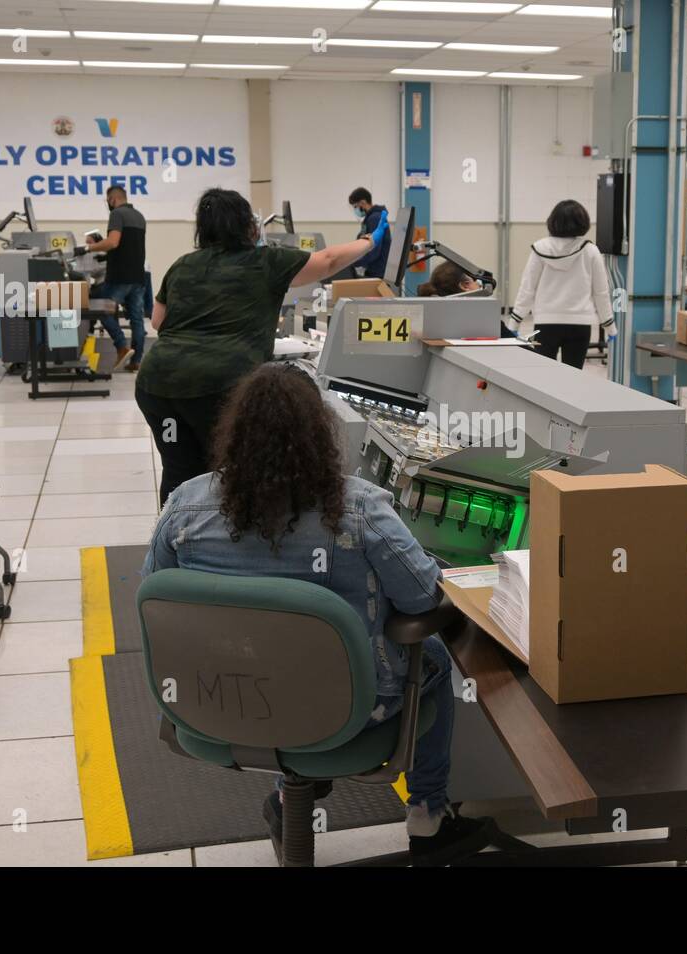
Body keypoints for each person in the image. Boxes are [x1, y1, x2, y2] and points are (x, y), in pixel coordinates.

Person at [141, 363, 491, 866]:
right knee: (430, 657)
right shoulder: (360, 509)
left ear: (233, 433)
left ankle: (290, 800)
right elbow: (422, 601)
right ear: (320, 434)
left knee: (279, 659)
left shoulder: (184, 507)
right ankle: (429, 816)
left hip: (216, 703)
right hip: (352, 709)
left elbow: (157, 596)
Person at [136, 187, 389, 506]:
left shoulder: (184, 265)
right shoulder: (266, 261)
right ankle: (225, 547)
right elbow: (328, 261)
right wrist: (370, 240)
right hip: (218, 386)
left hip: (157, 384)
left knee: (179, 471)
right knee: (229, 470)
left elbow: (158, 321)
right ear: (248, 225)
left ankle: (173, 541)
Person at [512, 199, 614, 369]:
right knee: (573, 379)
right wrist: (609, 326)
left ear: (553, 221)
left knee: (544, 378)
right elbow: (601, 292)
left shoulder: (539, 248)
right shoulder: (591, 251)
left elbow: (527, 288)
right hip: (580, 324)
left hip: (546, 323)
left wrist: (514, 322)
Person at [86, 186, 148, 371]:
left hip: (120, 277)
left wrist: (88, 248)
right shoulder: (139, 216)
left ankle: (121, 346)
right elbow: (128, 247)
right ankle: (135, 361)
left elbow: (113, 242)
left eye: (108, 201)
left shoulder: (117, 214)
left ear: (112, 200)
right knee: (137, 320)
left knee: (99, 309)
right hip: (138, 276)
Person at [348, 187, 391, 279]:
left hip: (378, 272)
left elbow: (374, 250)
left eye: (355, 206)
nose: (355, 210)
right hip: (374, 270)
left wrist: (354, 262)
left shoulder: (374, 218)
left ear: (363, 203)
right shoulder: (370, 218)